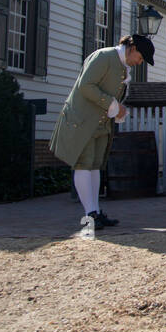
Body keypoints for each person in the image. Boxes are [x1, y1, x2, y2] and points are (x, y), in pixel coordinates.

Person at [48, 33, 154, 231]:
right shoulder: (103, 57)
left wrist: (118, 109)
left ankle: (95, 211)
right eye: (140, 58)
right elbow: (85, 86)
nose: (140, 63)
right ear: (132, 49)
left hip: (101, 122)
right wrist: (113, 104)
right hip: (83, 120)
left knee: (95, 165)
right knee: (83, 164)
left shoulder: (123, 67)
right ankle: (89, 214)